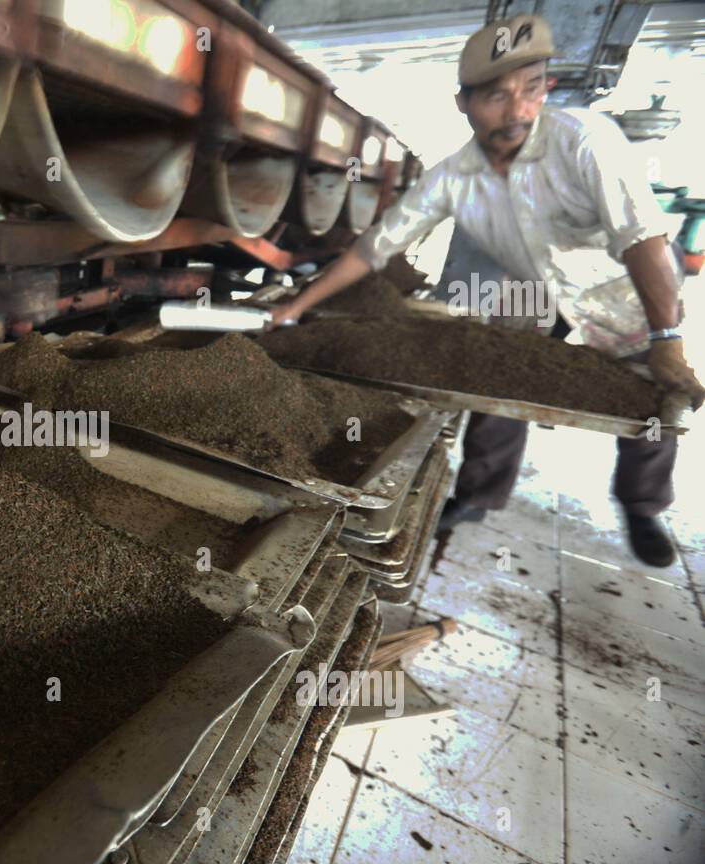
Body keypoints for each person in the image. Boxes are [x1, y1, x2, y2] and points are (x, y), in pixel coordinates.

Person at [266, 14, 705, 568]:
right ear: (463, 103)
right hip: (530, 291)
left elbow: (642, 236)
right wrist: (297, 306)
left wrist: (667, 335)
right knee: (504, 386)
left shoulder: (585, 141)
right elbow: (373, 248)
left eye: (533, 88)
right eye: (497, 95)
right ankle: (478, 495)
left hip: (617, 289)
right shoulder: (454, 177)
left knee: (652, 395)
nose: (519, 110)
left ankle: (643, 506)